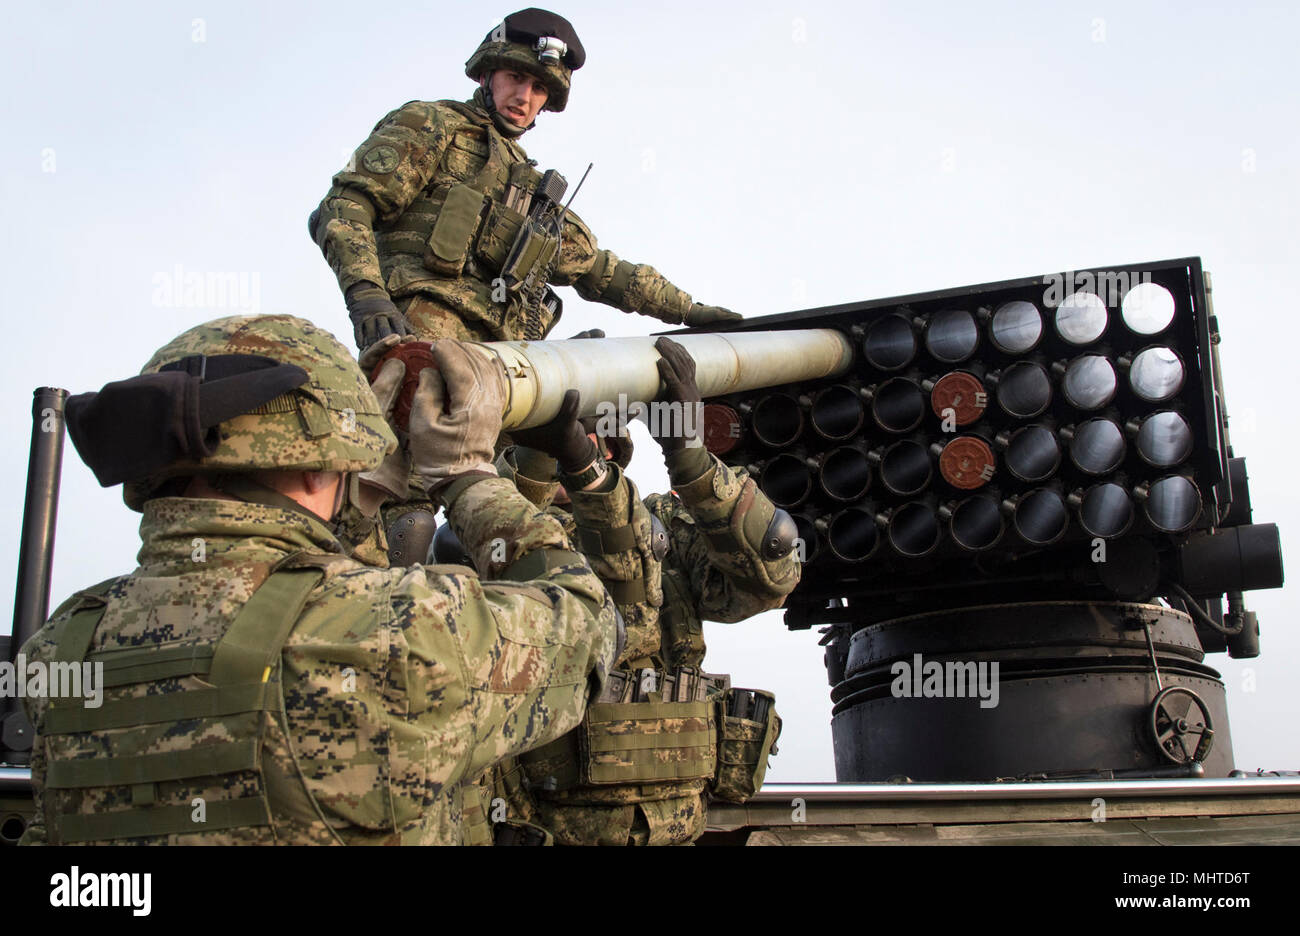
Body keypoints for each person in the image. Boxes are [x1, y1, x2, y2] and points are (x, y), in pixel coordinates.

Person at [18, 314, 619, 845]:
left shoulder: (63, 645)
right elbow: (588, 626)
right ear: (314, 465)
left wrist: (368, 487)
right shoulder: (403, 630)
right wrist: (466, 476)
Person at [463, 337, 800, 845]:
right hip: (541, 823)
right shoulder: (487, 532)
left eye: (589, 439)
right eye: (557, 439)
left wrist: (692, 459)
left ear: (615, 450)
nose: (574, 453)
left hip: (672, 824)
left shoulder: (665, 524)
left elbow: (769, 577)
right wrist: (535, 463)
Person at [309, 7, 740, 351]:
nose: (524, 97)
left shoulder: (533, 196)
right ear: (487, 74)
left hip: (503, 359)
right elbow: (345, 206)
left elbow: (601, 271)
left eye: (538, 89)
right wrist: (367, 295)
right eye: (515, 77)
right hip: (421, 336)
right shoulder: (435, 123)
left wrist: (689, 311)